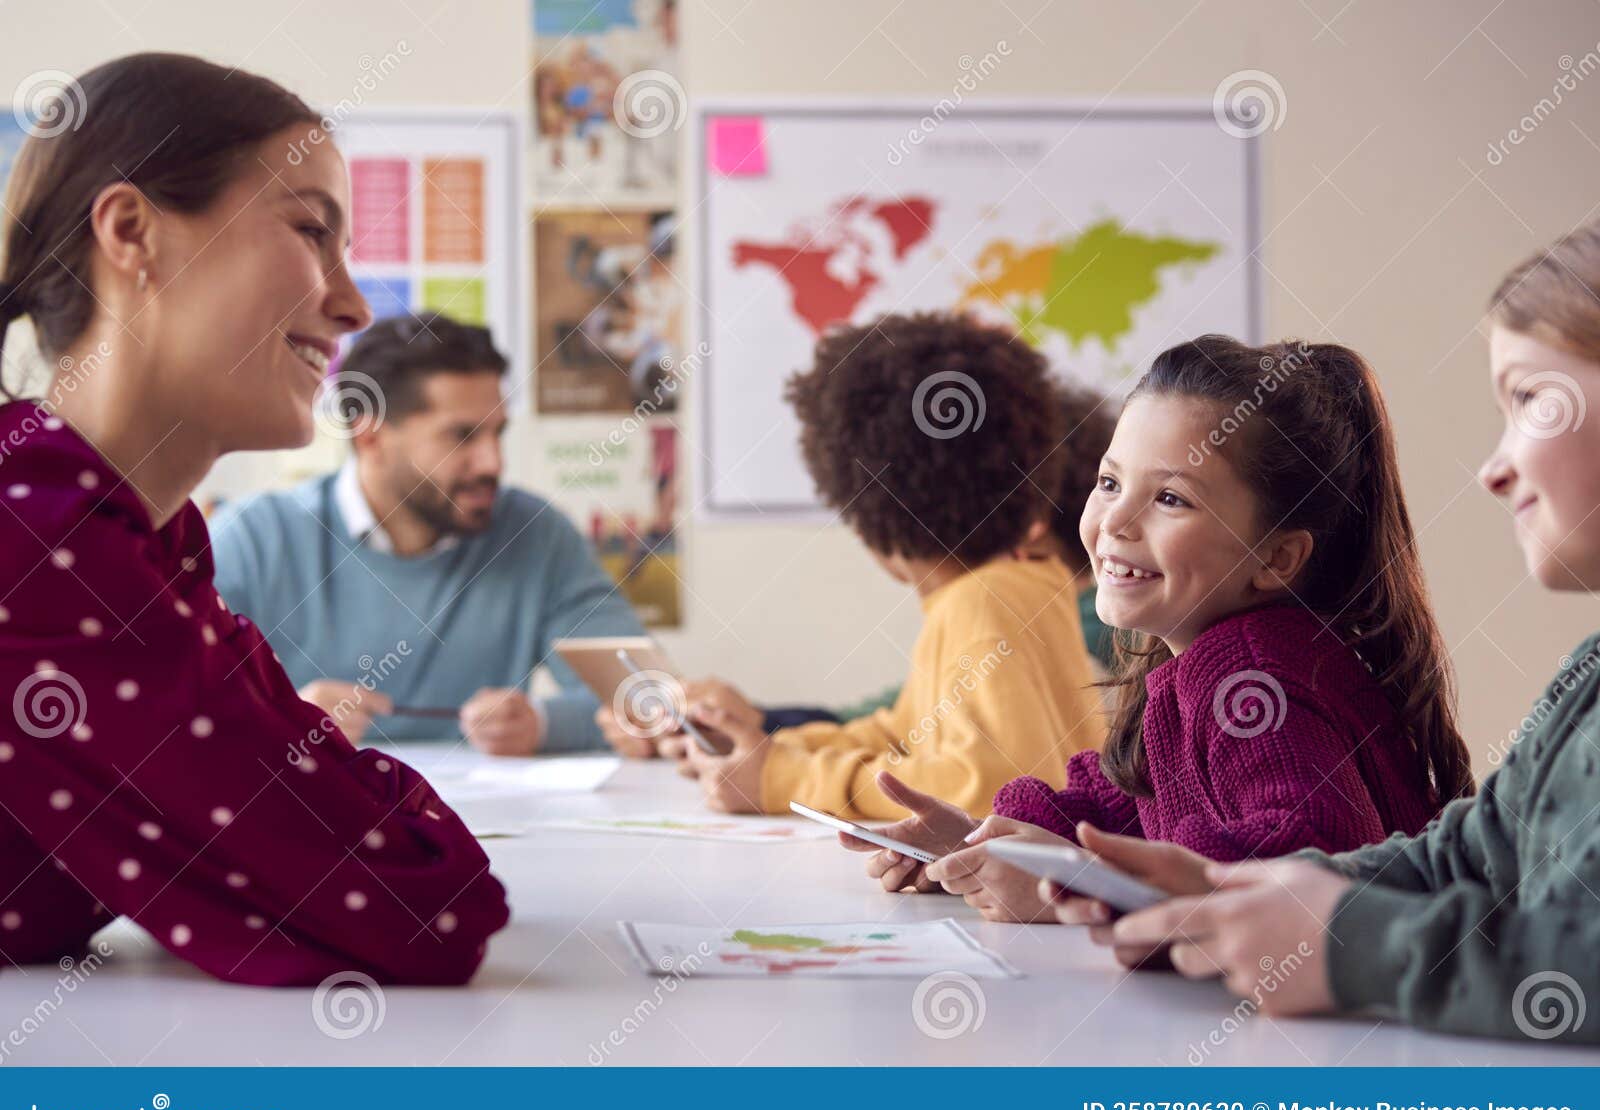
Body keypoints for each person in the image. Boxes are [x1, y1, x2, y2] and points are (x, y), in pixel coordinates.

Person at [0, 53, 507, 984]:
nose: (352, 305)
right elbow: (419, 904)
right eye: (312, 230)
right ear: (130, 232)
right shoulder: (36, 535)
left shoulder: (149, 537)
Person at [1044, 224, 1600, 1045]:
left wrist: (1347, 941)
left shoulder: (1256, 664)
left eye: (1529, 401)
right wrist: (1229, 889)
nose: (1493, 467)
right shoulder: (1590, 671)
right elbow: (1466, 859)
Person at [847, 336, 1470, 923]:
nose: (1115, 519)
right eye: (1110, 482)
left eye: (1170, 499)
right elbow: (1130, 807)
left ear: (1277, 559)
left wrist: (1065, 887)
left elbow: (1303, 869)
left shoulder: (1253, 678)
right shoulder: (1214, 663)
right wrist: (981, 842)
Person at [674, 312, 1108, 818]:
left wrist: (781, 778)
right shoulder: (1028, 583)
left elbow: (990, 786)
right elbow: (907, 733)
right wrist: (779, 750)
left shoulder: (978, 606)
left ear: (865, 520)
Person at [210, 312, 645, 756]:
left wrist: (543, 723)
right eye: (462, 437)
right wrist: (282, 717)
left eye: (497, 434)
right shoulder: (253, 540)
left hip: (489, 821)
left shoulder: (535, 536)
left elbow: (645, 700)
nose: (492, 463)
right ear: (370, 437)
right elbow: (164, 714)